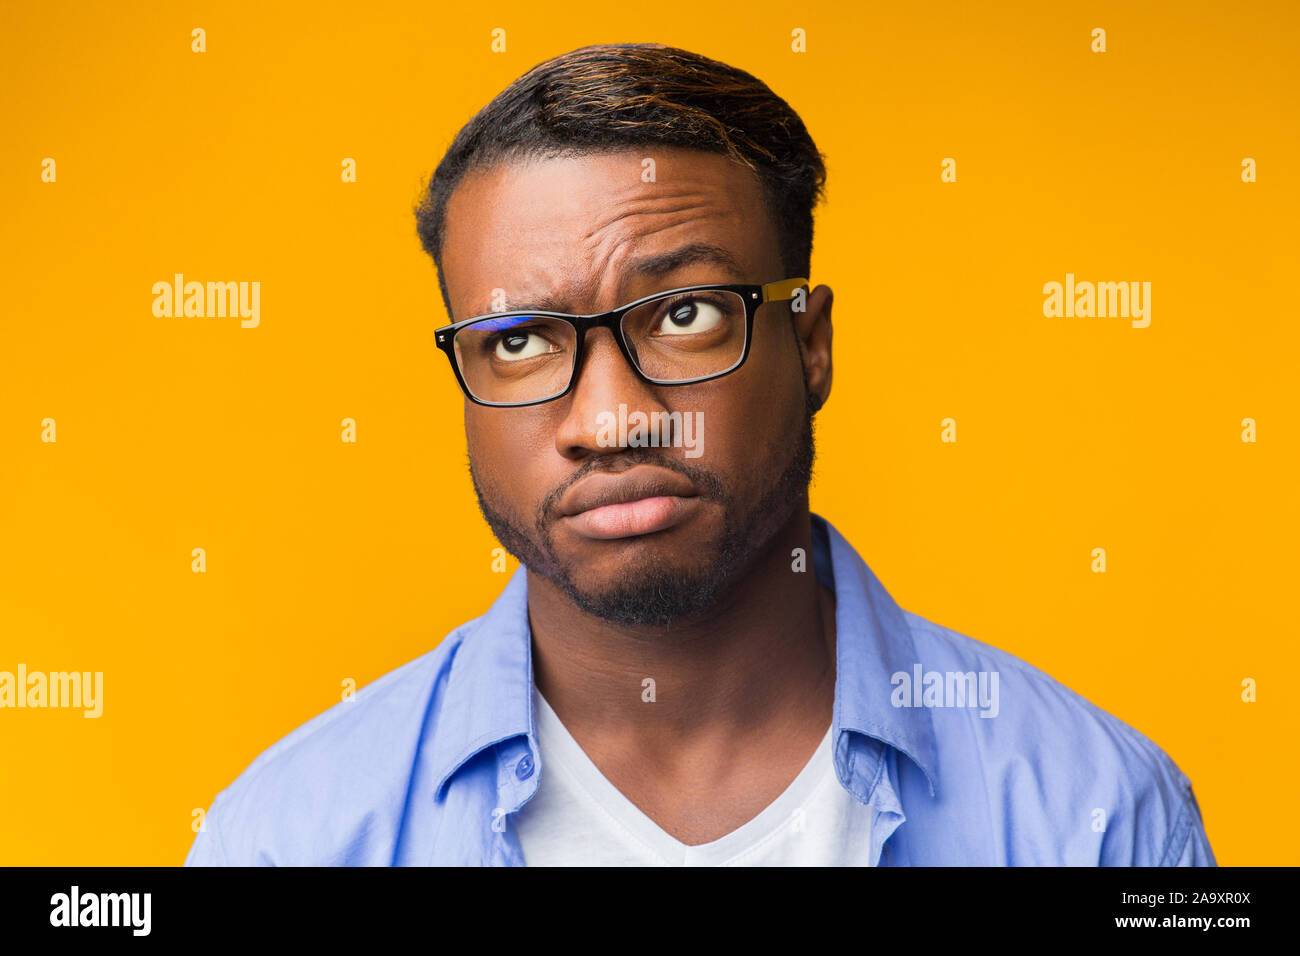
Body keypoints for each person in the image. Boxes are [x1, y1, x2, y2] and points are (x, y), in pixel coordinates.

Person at [185, 42, 1214, 866]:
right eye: (519, 339)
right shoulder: (290, 837)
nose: (611, 417)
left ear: (809, 343)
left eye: (683, 313)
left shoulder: (1095, 814)